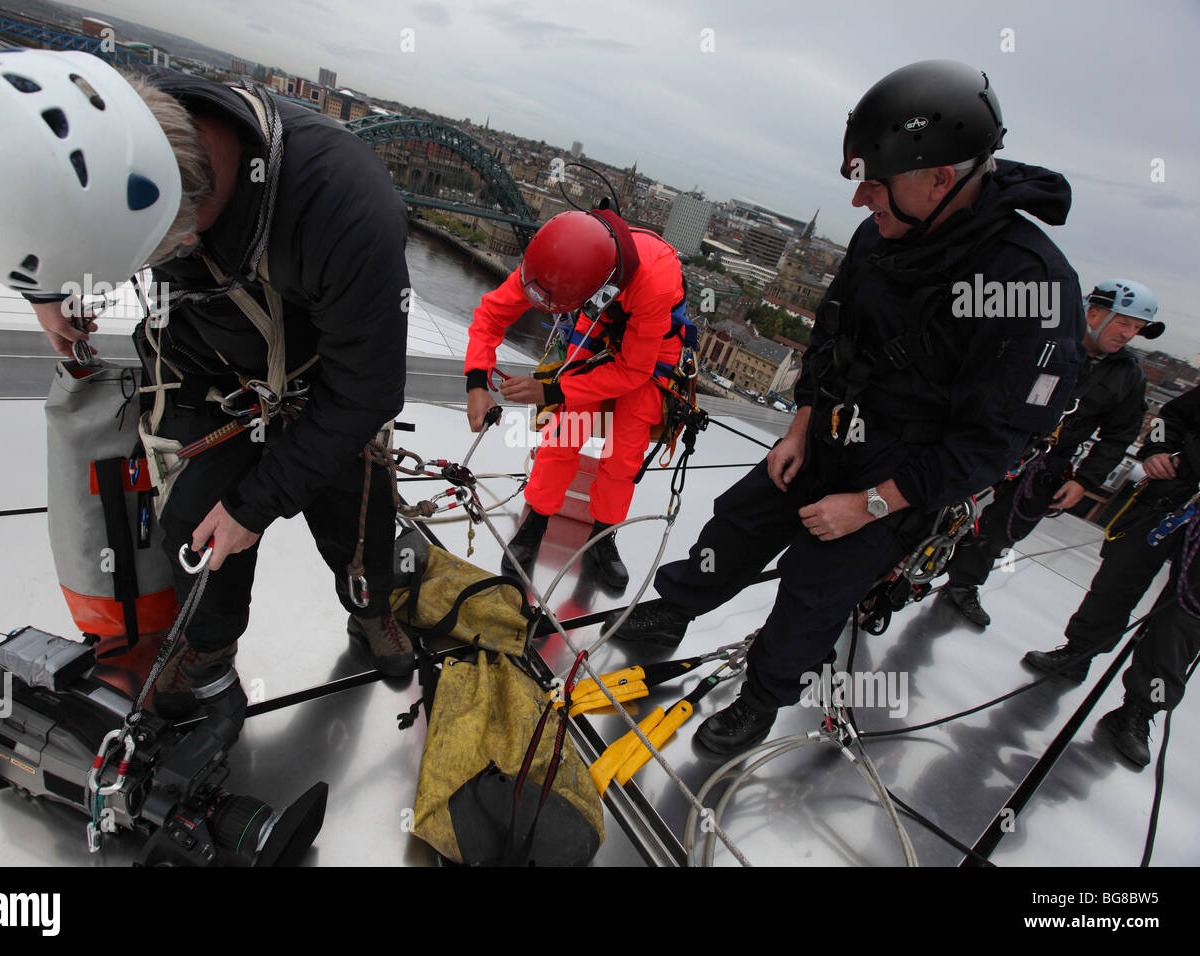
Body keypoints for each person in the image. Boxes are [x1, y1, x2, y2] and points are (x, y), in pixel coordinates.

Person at [0, 50, 416, 716]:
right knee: (193, 521)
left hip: (327, 386)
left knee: (358, 515)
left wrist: (254, 506)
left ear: (179, 230)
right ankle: (206, 652)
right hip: (206, 364)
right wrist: (51, 288)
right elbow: (56, 189)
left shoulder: (343, 208)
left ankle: (371, 606)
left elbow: (365, 394)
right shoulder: (113, 119)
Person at [604, 59, 1086, 756]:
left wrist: (874, 505)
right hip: (828, 431)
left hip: (900, 473)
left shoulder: (1033, 287)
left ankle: (762, 700)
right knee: (740, 522)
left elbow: (994, 442)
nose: (862, 202)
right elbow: (832, 332)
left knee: (814, 594)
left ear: (940, 179)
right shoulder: (884, 234)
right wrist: (800, 425)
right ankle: (675, 610)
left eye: (875, 185)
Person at [464, 207, 686, 591]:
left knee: (626, 449)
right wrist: (476, 381)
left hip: (652, 352)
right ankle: (535, 524)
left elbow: (633, 370)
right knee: (566, 430)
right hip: (597, 320)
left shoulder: (655, 280)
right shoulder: (559, 260)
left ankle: (602, 537)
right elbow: (492, 314)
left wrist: (551, 389)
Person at [941, 278, 1156, 626]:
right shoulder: (1046, 340)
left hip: (1046, 462)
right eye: (1124, 323)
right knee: (937, 500)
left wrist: (1085, 481)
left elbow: (1119, 435)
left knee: (1001, 531)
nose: (1129, 334)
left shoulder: (1127, 377)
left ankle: (963, 583)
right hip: (995, 439)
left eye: (1137, 328)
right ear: (1095, 313)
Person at [1022, 381, 1200, 767]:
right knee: (1116, 581)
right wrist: (1157, 450)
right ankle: (1078, 653)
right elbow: (1169, 418)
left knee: (1186, 620)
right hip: (1173, 495)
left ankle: (1139, 711)